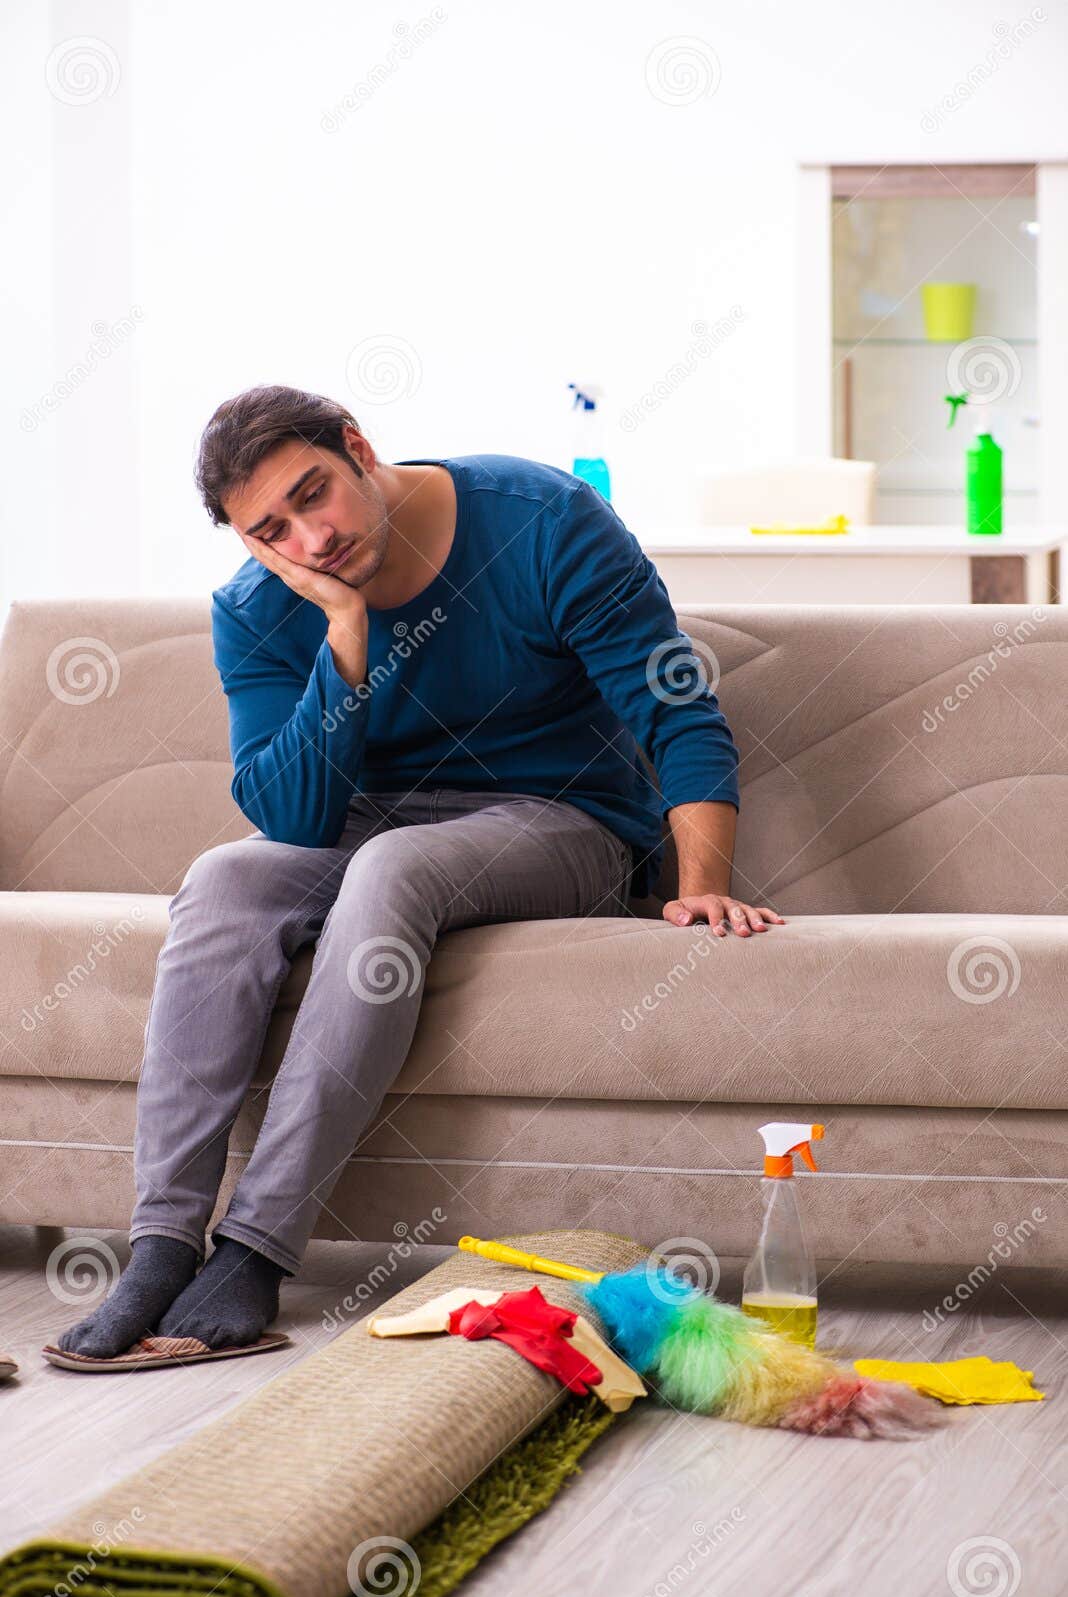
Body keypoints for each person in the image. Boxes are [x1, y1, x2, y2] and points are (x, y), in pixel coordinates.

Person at [56, 384, 784, 1359]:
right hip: (368, 824)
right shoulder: (258, 607)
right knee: (224, 879)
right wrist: (344, 638)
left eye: (314, 494)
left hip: (561, 821)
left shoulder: (545, 521)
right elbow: (293, 819)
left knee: (392, 869)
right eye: (272, 532)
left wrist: (701, 883)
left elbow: (677, 709)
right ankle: (159, 1246)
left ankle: (256, 1248)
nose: (311, 539)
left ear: (359, 448)